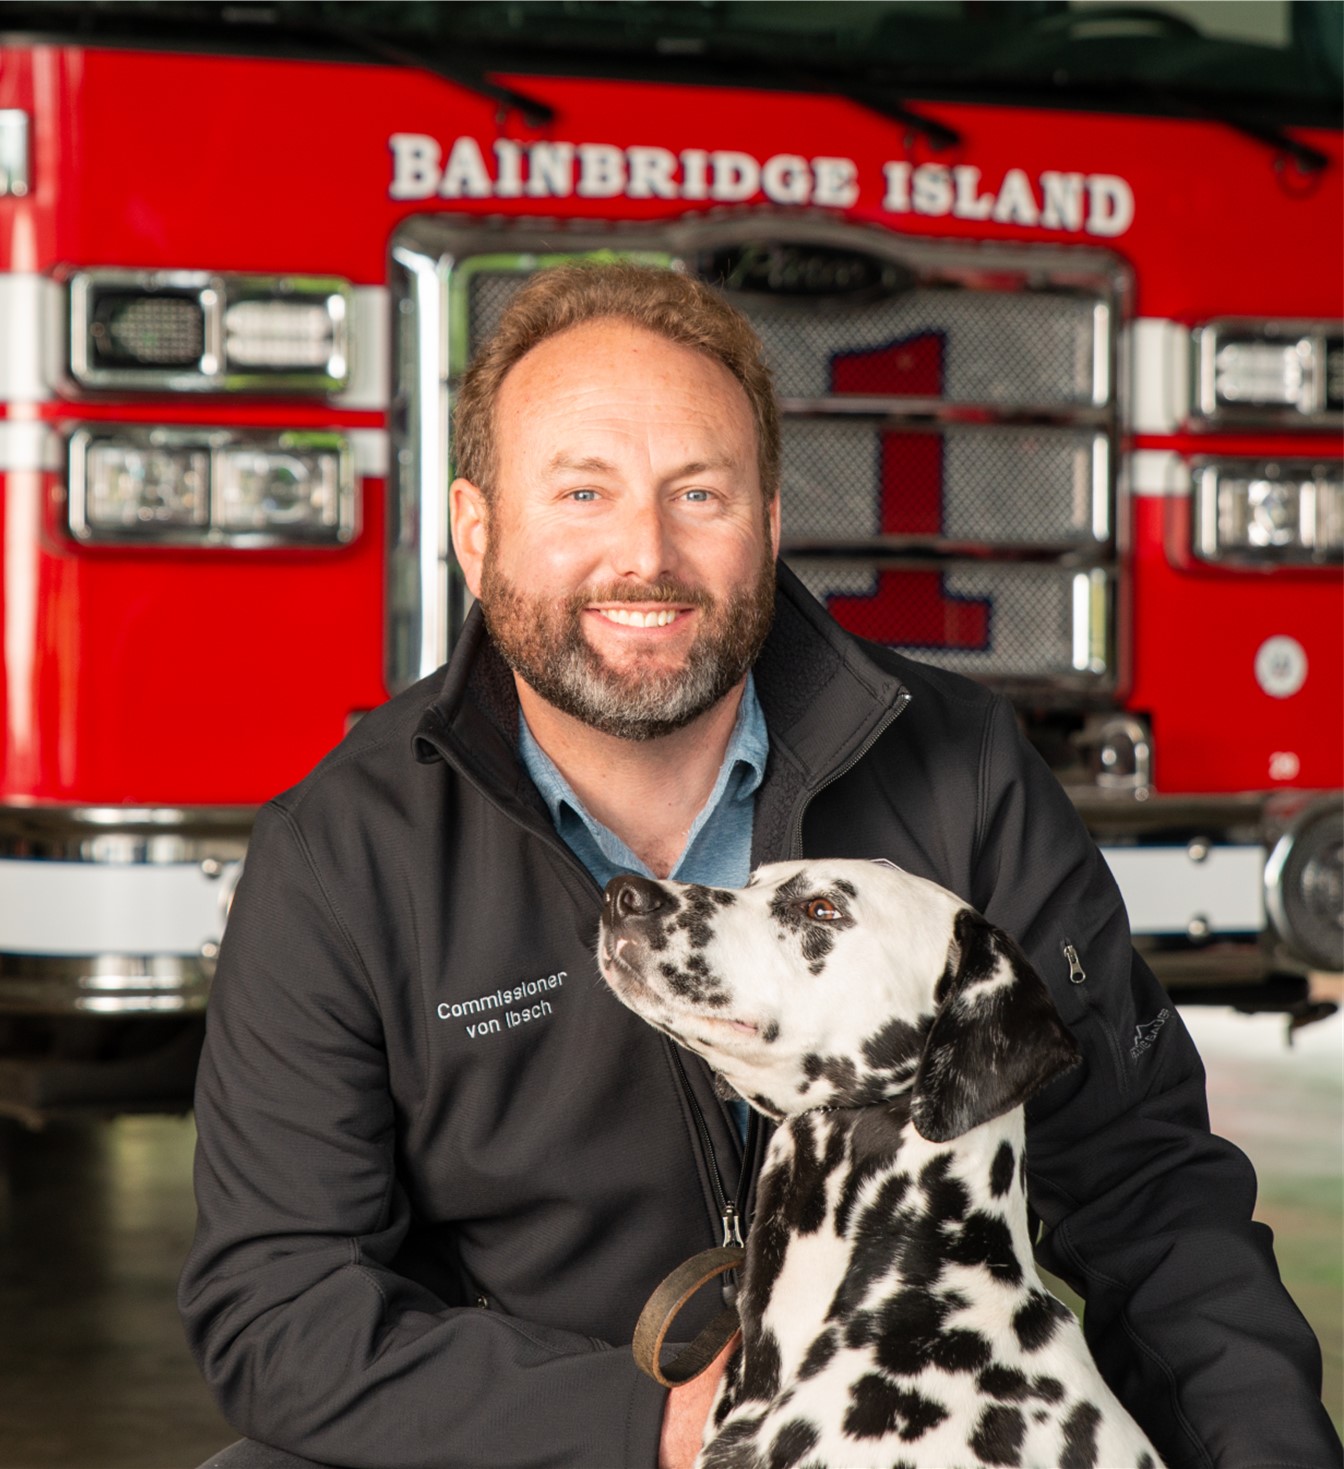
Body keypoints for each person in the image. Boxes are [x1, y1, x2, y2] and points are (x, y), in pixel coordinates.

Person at [180, 263, 1338, 1469]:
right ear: (477, 532)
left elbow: (1148, 1191)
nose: (647, 554)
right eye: (582, 491)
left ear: (772, 519)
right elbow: (279, 1302)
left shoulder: (961, 772)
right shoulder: (345, 851)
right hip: (552, 1436)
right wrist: (657, 1426)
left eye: (701, 493)